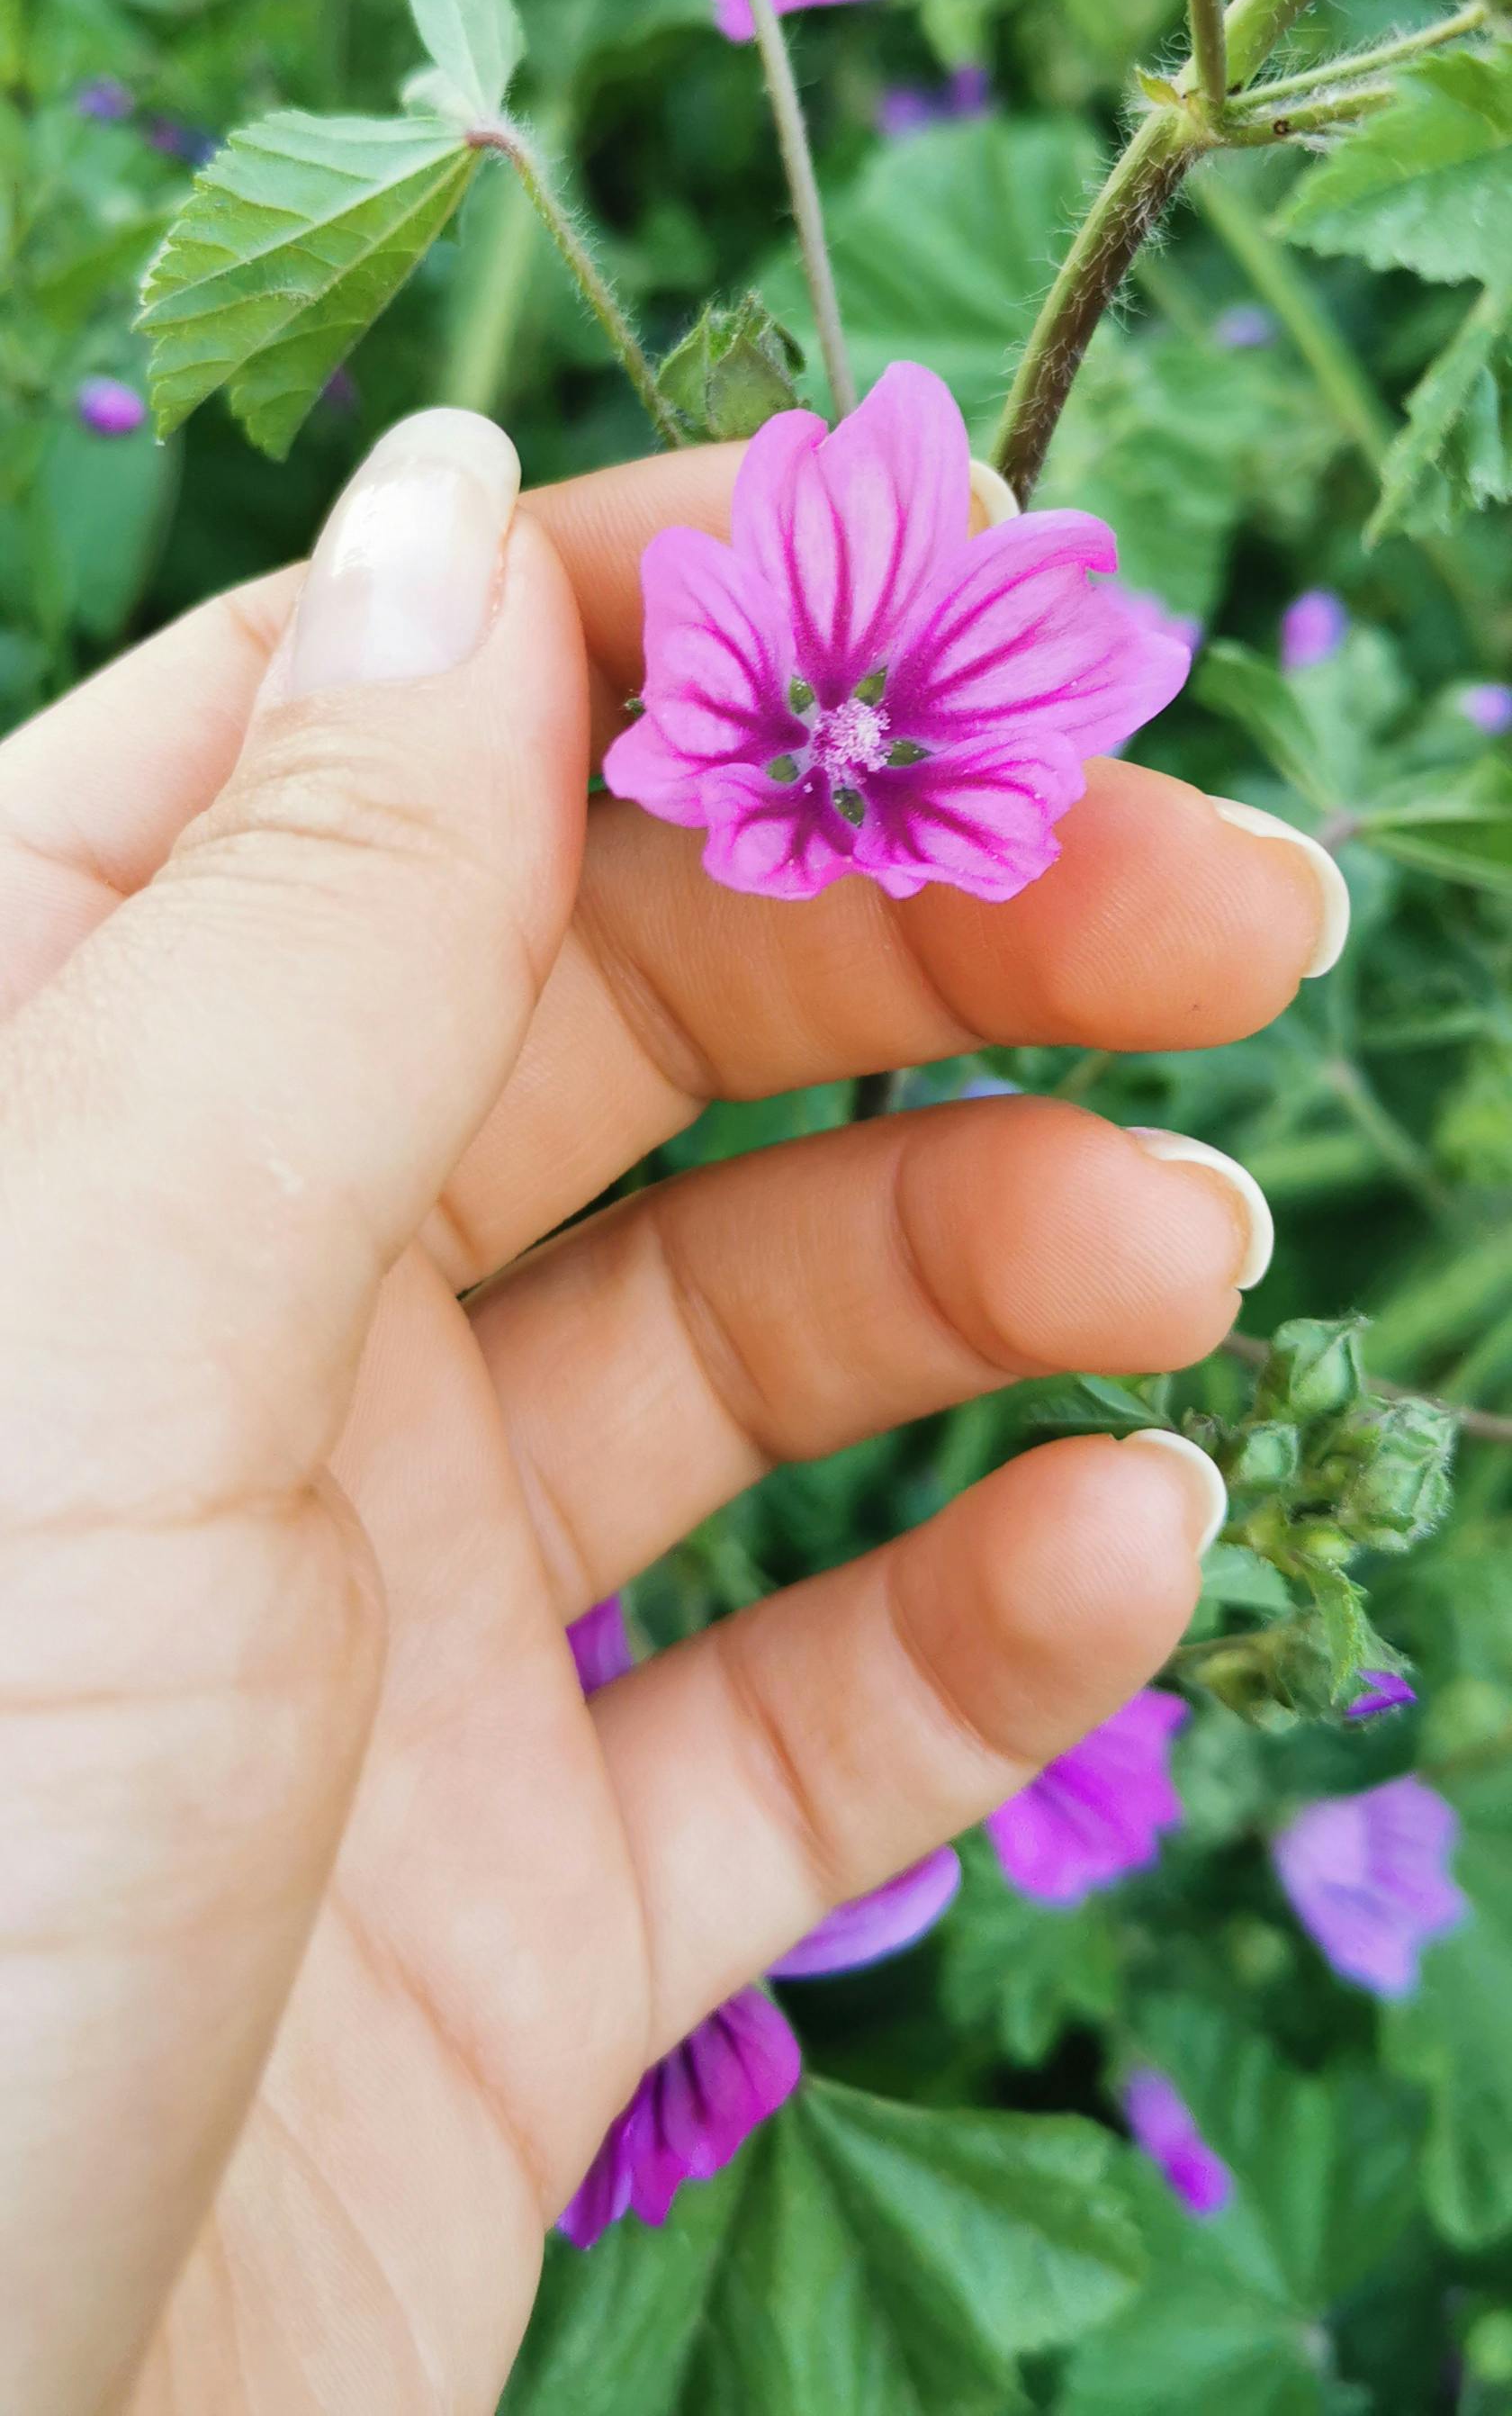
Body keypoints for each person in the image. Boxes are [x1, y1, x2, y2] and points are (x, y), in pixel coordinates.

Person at [0, 407, 1341, 2411]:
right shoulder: (731, 747)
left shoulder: (881, 770)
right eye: (840, 723)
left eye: (869, 730)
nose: (855, 735)